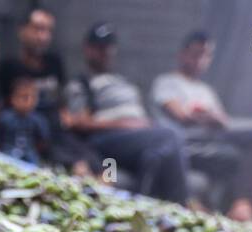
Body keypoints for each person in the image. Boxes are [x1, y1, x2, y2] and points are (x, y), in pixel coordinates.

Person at [152, 31, 252, 221]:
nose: (200, 60)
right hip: (184, 144)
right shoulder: (167, 82)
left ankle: (240, 206)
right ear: (183, 54)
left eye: (205, 55)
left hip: (213, 144)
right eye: (196, 54)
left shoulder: (206, 91)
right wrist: (207, 116)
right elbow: (180, 115)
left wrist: (210, 117)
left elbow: (223, 122)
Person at [64, 23, 190, 203]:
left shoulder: (123, 82)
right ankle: (183, 203)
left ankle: (143, 211)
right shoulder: (81, 84)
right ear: (88, 49)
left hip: (137, 140)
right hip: (107, 140)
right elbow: (79, 123)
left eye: (109, 47)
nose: (106, 52)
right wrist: (127, 124)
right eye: (100, 47)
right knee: (170, 135)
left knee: (154, 155)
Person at [0, 7, 91, 176]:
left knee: (94, 163)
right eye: (38, 29)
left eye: (48, 31)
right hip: (26, 134)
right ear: (22, 31)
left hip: (57, 131)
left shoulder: (55, 62)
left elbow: (62, 97)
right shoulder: (7, 68)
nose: (43, 37)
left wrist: (68, 113)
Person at [0, 76, 51, 165]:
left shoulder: (38, 119)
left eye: (33, 97)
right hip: (7, 153)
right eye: (24, 97)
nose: (29, 101)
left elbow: (43, 141)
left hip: (30, 154)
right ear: (13, 99)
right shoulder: (5, 117)